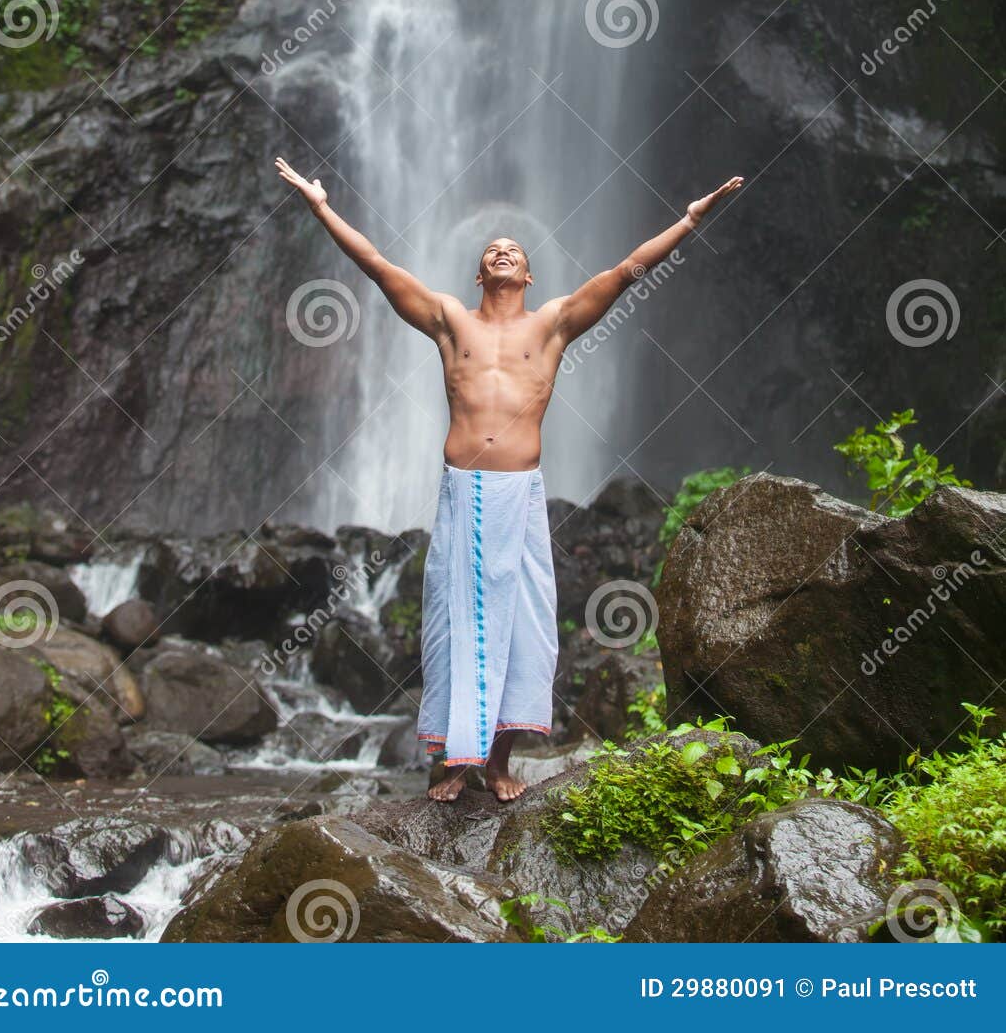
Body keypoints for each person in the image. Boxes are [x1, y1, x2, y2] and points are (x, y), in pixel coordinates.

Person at [275, 158, 743, 801]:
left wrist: (689, 220)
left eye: (513, 250)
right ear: (478, 273)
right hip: (464, 492)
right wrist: (322, 208)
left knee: (523, 626)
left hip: (521, 492)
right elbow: (378, 267)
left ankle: (497, 763)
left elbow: (625, 274)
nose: (502, 251)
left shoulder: (551, 325)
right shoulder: (448, 321)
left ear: (528, 274)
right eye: (492, 249)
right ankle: (453, 763)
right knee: (458, 623)